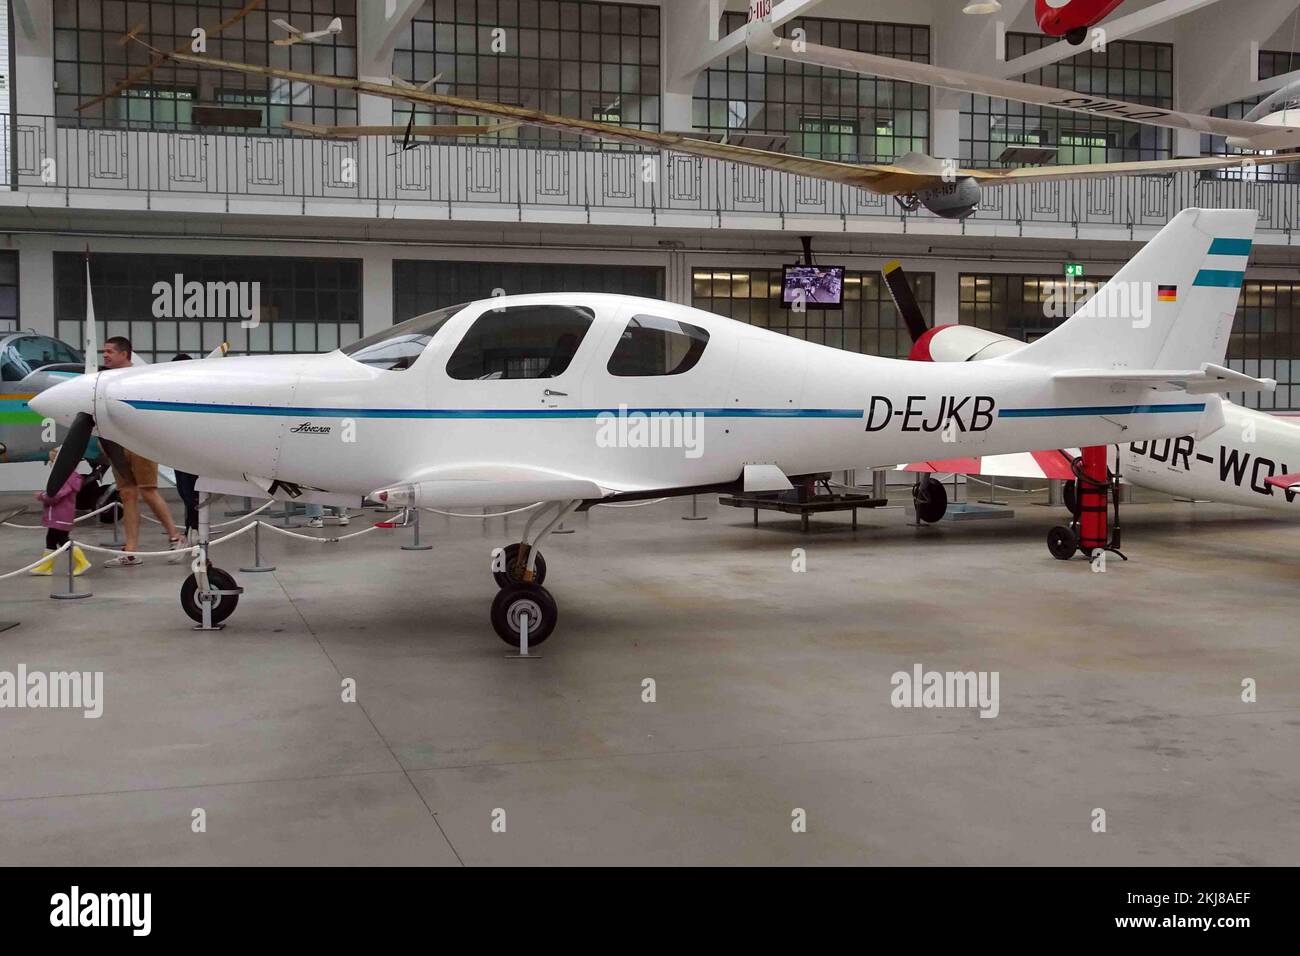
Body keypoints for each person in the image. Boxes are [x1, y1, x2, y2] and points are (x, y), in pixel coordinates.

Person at [98, 336, 184, 567]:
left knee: (148, 490)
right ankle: (131, 550)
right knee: (127, 494)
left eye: (110, 351)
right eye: (104, 351)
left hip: (140, 442)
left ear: (125, 354)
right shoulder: (102, 378)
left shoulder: (141, 378)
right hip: (117, 443)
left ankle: (176, 537)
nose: (105, 355)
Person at [31, 446, 91, 576]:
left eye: (52, 460)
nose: (50, 463)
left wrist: (41, 496)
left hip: (59, 515)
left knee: (62, 539)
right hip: (59, 515)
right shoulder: (67, 476)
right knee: (52, 539)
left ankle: (82, 562)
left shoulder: (64, 477)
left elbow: (55, 495)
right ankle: (46, 566)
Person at [167, 353, 201, 563]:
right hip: (179, 454)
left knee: (194, 496)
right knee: (186, 494)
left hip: (195, 455)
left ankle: (195, 534)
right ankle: (191, 532)